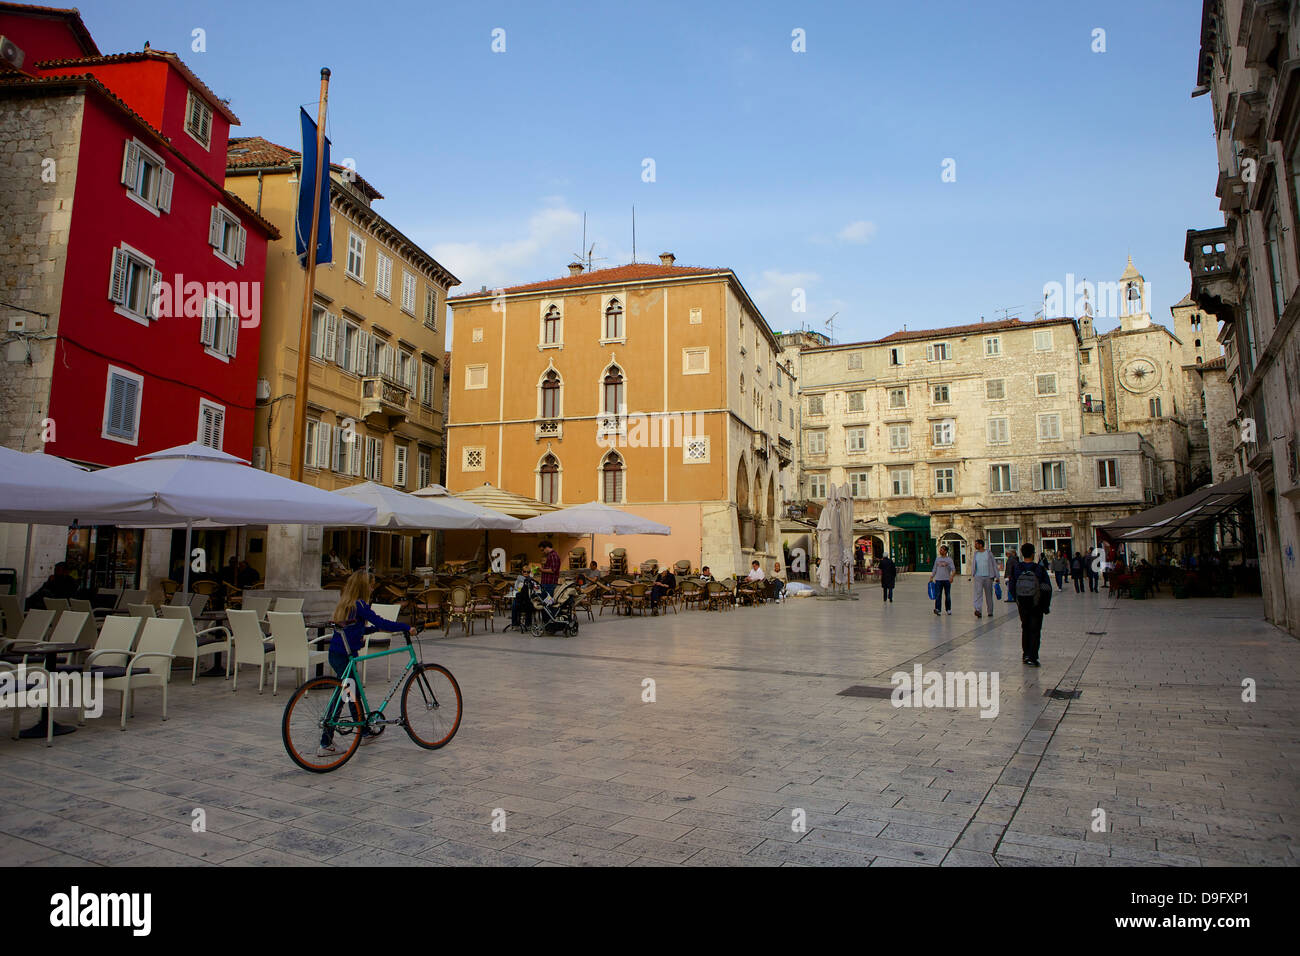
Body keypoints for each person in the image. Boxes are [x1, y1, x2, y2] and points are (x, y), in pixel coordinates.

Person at [319, 571, 412, 755]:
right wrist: (405, 627)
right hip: (344, 656)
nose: (372, 588)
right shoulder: (360, 604)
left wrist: (368, 632)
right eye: (371, 585)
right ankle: (326, 742)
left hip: (336, 653)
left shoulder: (346, 603)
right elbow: (381, 621)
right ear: (363, 586)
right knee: (344, 697)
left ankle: (364, 732)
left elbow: (352, 628)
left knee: (352, 695)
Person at [1012, 542, 1051, 667]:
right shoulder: (1039, 569)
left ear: (1022, 554)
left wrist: (1017, 599)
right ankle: (1033, 656)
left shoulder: (1017, 568)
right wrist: (1046, 605)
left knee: (1025, 628)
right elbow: (1047, 587)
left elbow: (1012, 586)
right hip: (1036, 603)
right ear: (1033, 554)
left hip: (1022, 603)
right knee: (1035, 630)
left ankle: (1026, 655)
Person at [970, 538, 996, 619]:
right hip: (978, 576)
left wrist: (997, 576)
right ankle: (978, 610)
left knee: (989, 595)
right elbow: (974, 564)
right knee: (978, 594)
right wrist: (972, 573)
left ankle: (990, 611)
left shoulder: (988, 553)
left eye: (976, 544)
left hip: (988, 576)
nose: (975, 545)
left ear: (980, 545)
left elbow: (994, 564)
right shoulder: (976, 554)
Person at [508, 567, 539, 632]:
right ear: (522, 572)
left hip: (528, 600)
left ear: (530, 573)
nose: (526, 573)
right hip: (520, 599)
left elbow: (536, 590)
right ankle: (515, 624)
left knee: (530, 605)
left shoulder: (532, 581)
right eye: (525, 571)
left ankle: (528, 624)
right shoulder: (518, 581)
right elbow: (516, 590)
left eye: (528, 572)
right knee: (514, 605)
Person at [930, 545, 956, 615]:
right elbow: (934, 568)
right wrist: (932, 576)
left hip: (947, 580)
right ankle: (938, 609)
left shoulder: (949, 560)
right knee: (938, 595)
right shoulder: (937, 559)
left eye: (942, 550)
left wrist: (951, 577)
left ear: (945, 551)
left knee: (947, 595)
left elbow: (953, 570)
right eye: (940, 550)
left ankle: (948, 609)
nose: (940, 551)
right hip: (938, 579)